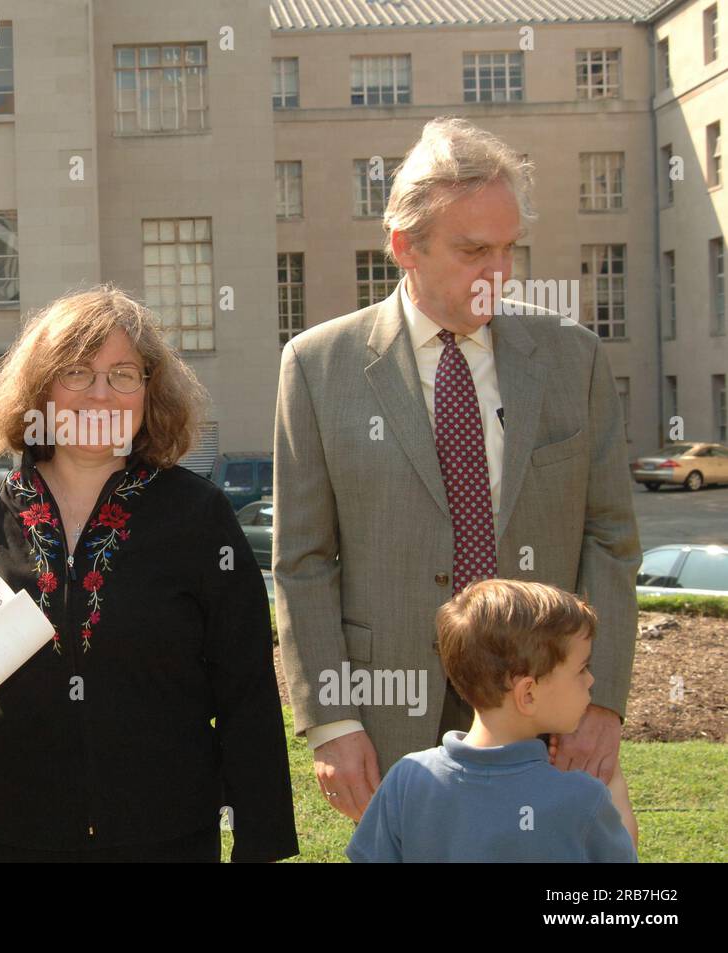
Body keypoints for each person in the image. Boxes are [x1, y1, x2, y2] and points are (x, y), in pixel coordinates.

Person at [273, 117, 641, 824]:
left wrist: (601, 701)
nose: (497, 274)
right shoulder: (318, 367)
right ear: (403, 245)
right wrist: (332, 721)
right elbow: (303, 562)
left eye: (508, 249)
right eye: (473, 250)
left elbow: (612, 538)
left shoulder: (573, 356)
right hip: (391, 716)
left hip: (551, 712)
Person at [0, 286, 298, 863]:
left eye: (123, 375)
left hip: (169, 838)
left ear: (149, 391)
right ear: (40, 388)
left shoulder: (198, 514)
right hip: (15, 837)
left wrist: (259, 844)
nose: (100, 394)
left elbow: (248, 692)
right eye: (77, 372)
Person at [347, 579, 638, 862]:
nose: (591, 680)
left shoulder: (408, 778)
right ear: (528, 694)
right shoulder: (581, 798)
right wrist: (613, 785)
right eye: (582, 669)